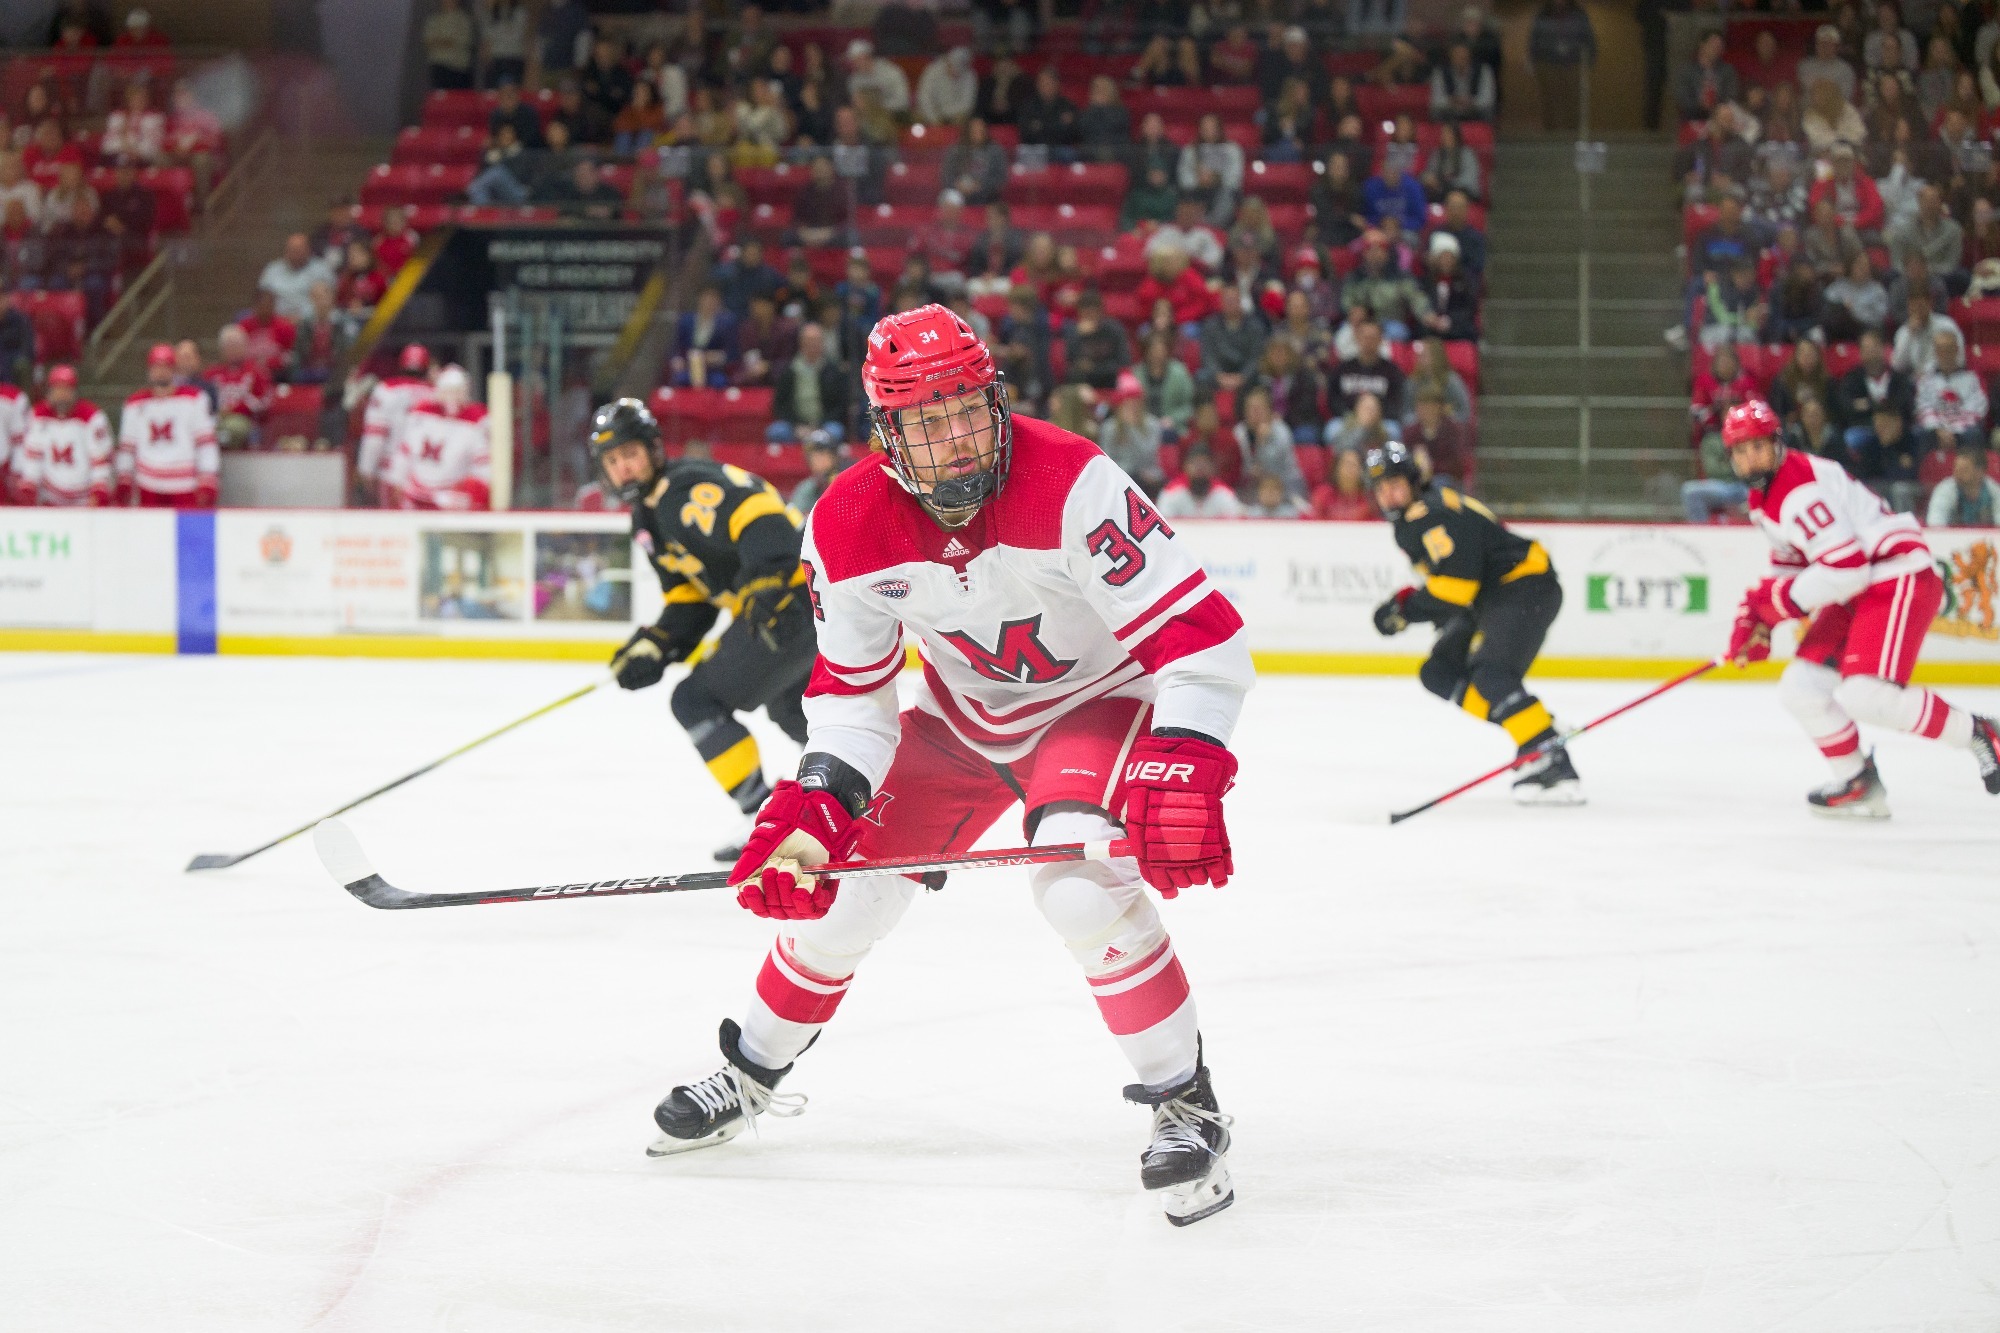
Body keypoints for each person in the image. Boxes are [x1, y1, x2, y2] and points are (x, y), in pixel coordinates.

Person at [646, 306, 1251, 1232]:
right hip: (961, 721)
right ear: (888, 430)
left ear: (995, 397)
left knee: (1079, 890)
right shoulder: (846, 524)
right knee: (844, 893)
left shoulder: (1073, 479)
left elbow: (1199, 642)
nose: (956, 436)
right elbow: (854, 701)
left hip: (1092, 706)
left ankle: (1186, 1100)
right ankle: (753, 1068)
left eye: (966, 407)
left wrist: (1186, 759)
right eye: (927, 420)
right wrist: (816, 807)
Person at [1715, 399, 2000, 815]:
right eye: (1740, 451)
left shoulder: (1796, 490)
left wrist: (1777, 605)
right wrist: (1759, 616)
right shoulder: (1764, 497)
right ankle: (1856, 779)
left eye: (1757, 446)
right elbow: (1793, 565)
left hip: (1896, 574)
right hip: (1862, 585)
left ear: (1777, 443)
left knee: (1865, 695)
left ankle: (1978, 732)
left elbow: (1847, 568)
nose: (1750, 457)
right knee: (1801, 689)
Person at [590, 398, 816, 858]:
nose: (624, 468)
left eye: (630, 454)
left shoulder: (682, 490)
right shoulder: (649, 516)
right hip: (805, 605)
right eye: (613, 461)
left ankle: (764, 813)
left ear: (654, 450)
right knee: (792, 708)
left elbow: (757, 509)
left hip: (794, 602)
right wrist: (657, 645)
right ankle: (862, 794)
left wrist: (768, 577)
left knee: (695, 700)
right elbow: (690, 598)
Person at [1369, 439, 1580, 803]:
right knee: (1439, 670)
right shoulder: (1421, 511)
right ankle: (1536, 725)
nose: (1388, 494)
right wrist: (1414, 606)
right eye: (1381, 488)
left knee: (1491, 674)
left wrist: (1407, 609)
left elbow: (1457, 588)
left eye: (1395, 484)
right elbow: (1459, 582)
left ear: (1412, 482)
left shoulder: (1430, 512)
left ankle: (1552, 760)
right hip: (1495, 595)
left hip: (1525, 585)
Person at [117, 342, 218, 507]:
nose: (161, 372)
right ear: (149, 370)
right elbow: (127, 449)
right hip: (147, 483)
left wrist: (208, 480)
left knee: (187, 532)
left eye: (166, 366)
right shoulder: (134, 405)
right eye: (156, 367)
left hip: (184, 484)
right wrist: (124, 480)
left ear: (174, 369)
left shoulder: (195, 399)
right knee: (151, 532)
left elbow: (206, 445)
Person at [384, 365, 489, 510]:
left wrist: (477, 490)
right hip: (414, 495)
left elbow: (484, 469)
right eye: (448, 391)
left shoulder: (474, 423)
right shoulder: (420, 416)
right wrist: (396, 480)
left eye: (456, 392)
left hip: (451, 497)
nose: (451, 397)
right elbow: (405, 452)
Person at [12, 364, 110, 506]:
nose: (62, 394)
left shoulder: (92, 417)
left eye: (66, 389)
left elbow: (100, 461)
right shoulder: (38, 415)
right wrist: (29, 487)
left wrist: (98, 494)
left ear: (74, 391)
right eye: (58, 388)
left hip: (84, 501)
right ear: (50, 390)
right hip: (49, 499)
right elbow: (32, 459)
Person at [358, 344, 437, 498]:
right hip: (424, 475)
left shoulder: (386, 389)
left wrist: (366, 468)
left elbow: (375, 435)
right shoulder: (434, 393)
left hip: (390, 473)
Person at [768, 323, 848, 444]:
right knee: (776, 431)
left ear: (822, 343)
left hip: (824, 424)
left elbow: (840, 405)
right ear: (801, 343)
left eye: (816, 340)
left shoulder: (833, 371)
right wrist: (796, 426)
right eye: (809, 341)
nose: (813, 345)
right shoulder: (788, 371)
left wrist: (818, 426)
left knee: (836, 431)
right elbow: (780, 405)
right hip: (794, 425)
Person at [1529, 0, 1596, 133]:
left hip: (1572, 64)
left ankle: (1572, 134)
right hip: (1548, 64)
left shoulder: (1579, 14)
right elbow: (1534, 39)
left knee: (1573, 101)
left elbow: (1589, 37)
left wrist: (1591, 58)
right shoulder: (1542, 14)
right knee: (1550, 101)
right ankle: (1551, 134)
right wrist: (1533, 60)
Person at [1927, 446, 2000, 525]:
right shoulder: (1945, 490)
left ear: (1980, 472)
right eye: (1956, 468)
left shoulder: (1994, 491)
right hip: (1952, 536)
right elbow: (1935, 523)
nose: (1957, 474)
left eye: (1964, 470)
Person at [786, 429, 844, 514]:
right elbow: (795, 517)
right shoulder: (807, 487)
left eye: (822, 454)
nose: (818, 460)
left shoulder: (844, 482)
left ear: (834, 457)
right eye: (813, 456)